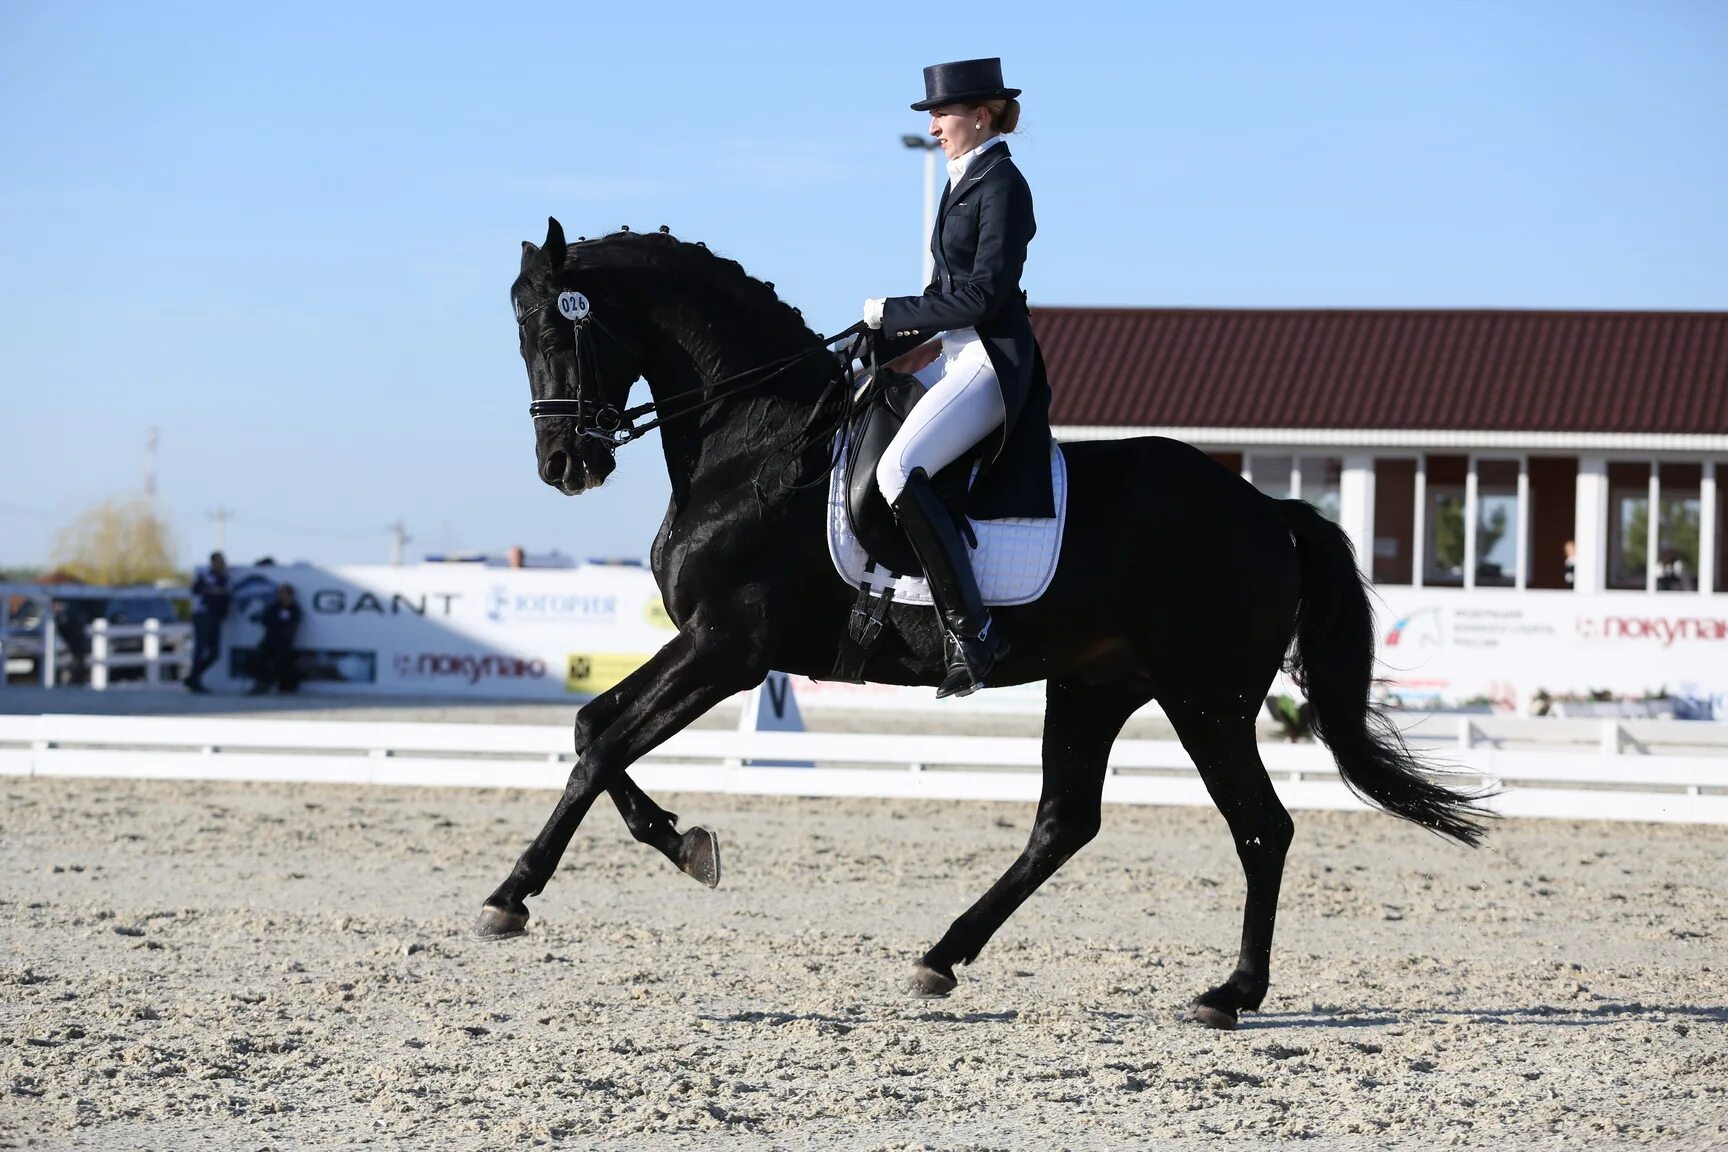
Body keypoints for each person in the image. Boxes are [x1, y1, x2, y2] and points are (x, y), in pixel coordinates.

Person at [861, 57, 1055, 699]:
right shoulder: (964, 178)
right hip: (953, 352)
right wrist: (886, 336)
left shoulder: (1003, 184)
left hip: (989, 360)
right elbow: (943, 289)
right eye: (933, 116)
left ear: (980, 114)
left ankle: (973, 633)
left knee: (896, 471)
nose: (935, 125)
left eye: (941, 114)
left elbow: (980, 297)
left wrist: (894, 312)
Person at [185, 551, 231, 693]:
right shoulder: (205, 575)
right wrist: (213, 591)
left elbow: (226, 596)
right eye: (218, 561)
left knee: (215, 653)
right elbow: (195, 590)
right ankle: (195, 681)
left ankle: (193, 677)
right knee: (200, 648)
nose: (221, 564)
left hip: (216, 617)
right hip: (203, 615)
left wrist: (223, 613)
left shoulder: (224, 577)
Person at [248, 583, 303, 694]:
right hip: (270, 638)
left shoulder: (294, 608)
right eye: (279, 593)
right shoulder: (274, 606)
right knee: (259, 656)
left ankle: (283, 685)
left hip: (284, 641)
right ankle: (262, 683)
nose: (280, 596)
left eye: (283, 593)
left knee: (281, 660)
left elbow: (293, 624)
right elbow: (265, 620)